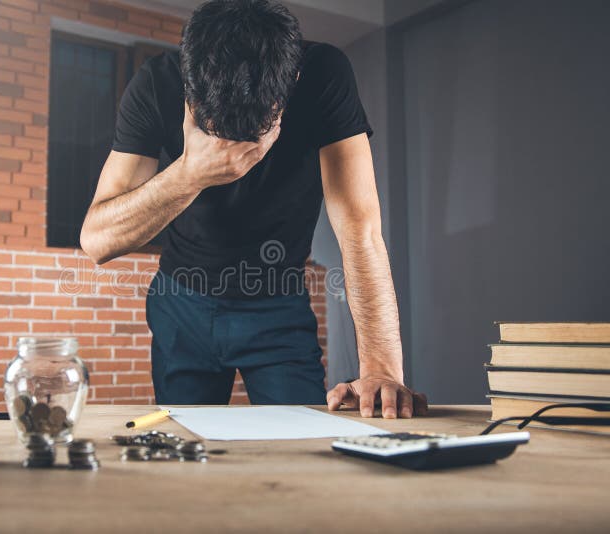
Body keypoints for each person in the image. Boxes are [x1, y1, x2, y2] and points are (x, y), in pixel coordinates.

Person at [81, 0, 427, 418]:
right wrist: (189, 174)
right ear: (189, 85)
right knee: (186, 445)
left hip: (278, 305)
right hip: (181, 302)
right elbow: (96, 241)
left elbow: (360, 228)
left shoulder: (323, 73)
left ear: (292, 81)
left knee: (304, 439)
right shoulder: (156, 82)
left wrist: (381, 369)